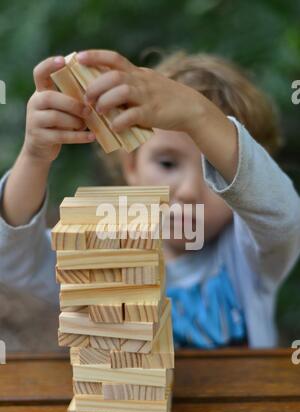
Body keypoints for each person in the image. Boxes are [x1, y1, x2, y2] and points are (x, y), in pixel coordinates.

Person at [0, 49, 299, 350]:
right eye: (168, 164)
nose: (188, 191)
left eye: (217, 173)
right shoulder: (102, 250)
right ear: (132, 166)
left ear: (243, 184)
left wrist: (199, 114)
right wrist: (35, 156)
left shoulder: (250, 255)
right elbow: (15, 261)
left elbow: (282, 214)